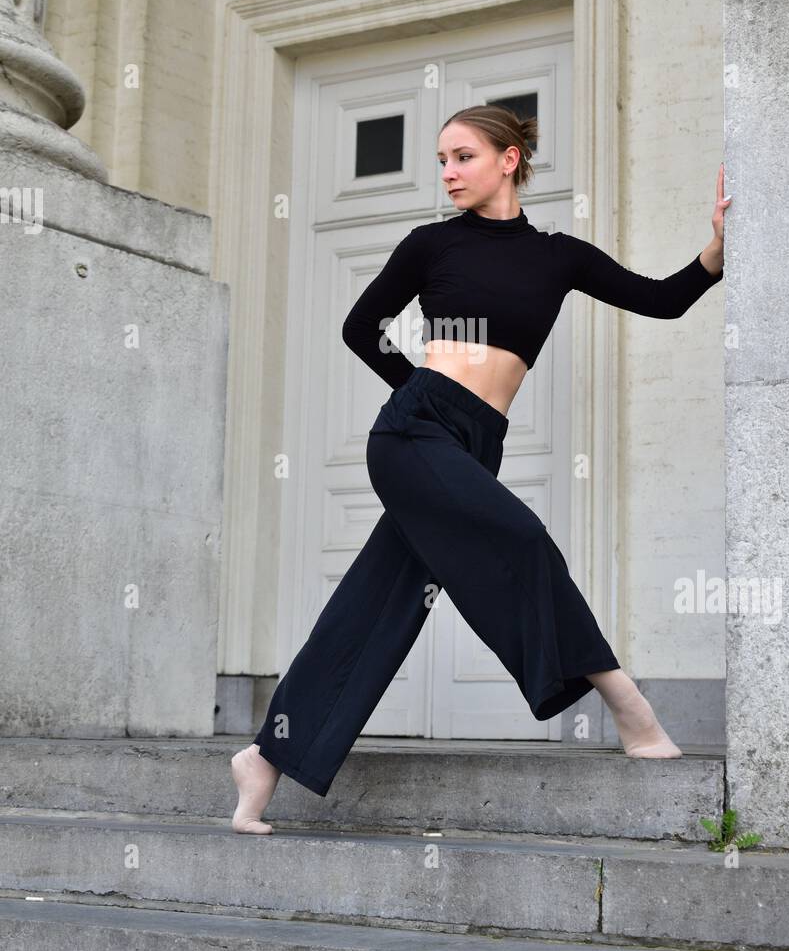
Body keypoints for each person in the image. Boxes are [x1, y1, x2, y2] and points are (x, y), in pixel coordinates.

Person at [232, 104, 729, 832]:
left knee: (380, 604)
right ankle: (629, 705)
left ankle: (265, 758)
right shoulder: (431, 245)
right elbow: (358, 328)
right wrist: (421, 394)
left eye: (462, 156)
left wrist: (717, 248)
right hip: (416, 433)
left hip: (475, 441)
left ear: (509, 159)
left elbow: (662, 300)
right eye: (441, 160)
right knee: (521, 538)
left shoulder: (559, 256)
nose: (447, 173)